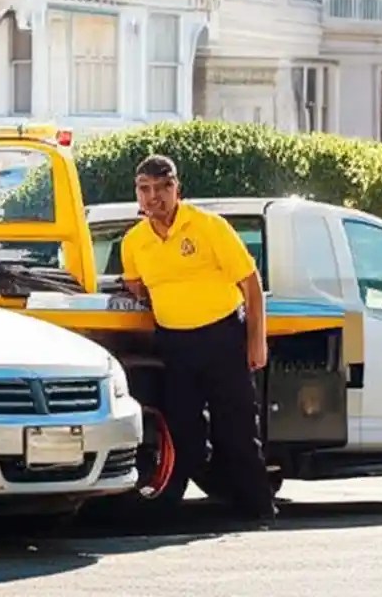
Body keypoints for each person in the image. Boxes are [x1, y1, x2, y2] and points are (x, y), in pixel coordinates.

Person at [118, 154, 276, 528]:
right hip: (175, 343)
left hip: (222, 335)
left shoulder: (208, 227)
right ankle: (172, 507)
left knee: (236, 429)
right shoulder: (134, 241)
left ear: (177, 189)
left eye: (163, 187)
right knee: (182, 430)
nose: (154, 196)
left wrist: (257, 342)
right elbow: (137, 286)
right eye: (145, 189)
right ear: (137, 193)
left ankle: (259, 508)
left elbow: (250, 284)